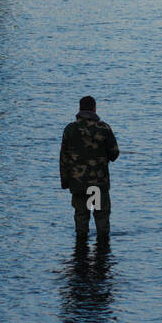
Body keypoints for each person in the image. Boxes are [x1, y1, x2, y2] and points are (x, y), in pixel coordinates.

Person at [59, 96, 119, 238]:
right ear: (94, 109)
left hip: (78, 184)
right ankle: (102, 256)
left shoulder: (70, 129)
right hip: (98, 186)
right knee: (101, 220)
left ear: (79, 109)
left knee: (81, 222)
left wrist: (65, 182)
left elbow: (63, 159)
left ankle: (80, 256)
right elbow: (114, 154)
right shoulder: (104, 128)